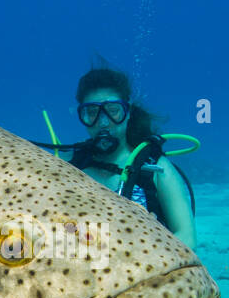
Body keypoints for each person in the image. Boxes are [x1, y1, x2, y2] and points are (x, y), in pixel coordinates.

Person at [60, 64, 197, 249]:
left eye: (113, 111)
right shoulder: (69, 167)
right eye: (92, 113)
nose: (103, 122)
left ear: (128, 111)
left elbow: (187, 237)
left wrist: (149, 252)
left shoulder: (156, 168)